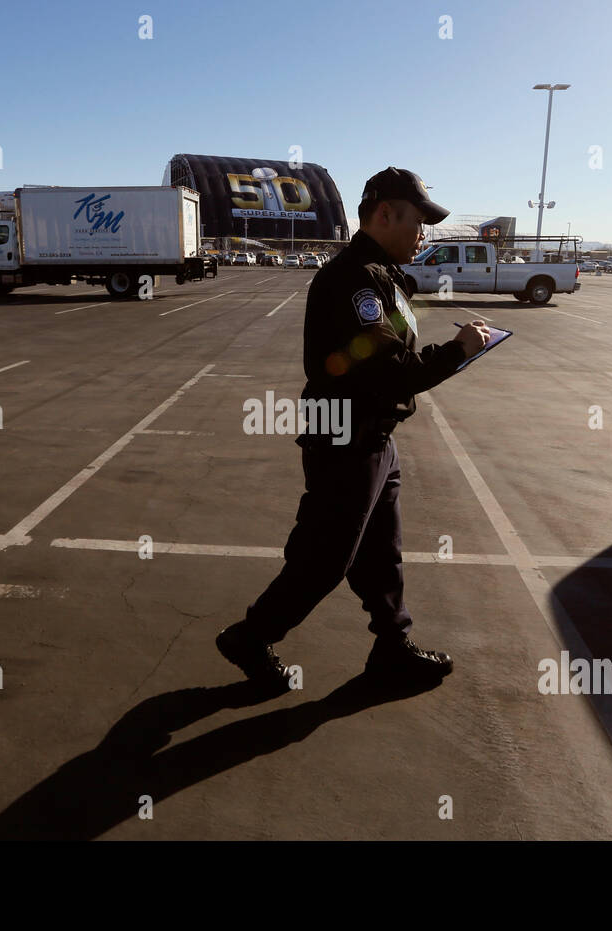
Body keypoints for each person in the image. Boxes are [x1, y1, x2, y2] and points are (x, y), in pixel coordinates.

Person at [217, 167, 490, 687]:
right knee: (325, 558)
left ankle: (392, 645)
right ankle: (250, 637)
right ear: (384, 214)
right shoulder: (354, 279)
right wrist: (458, 353)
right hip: (344, 434)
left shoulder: (380, 274)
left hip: (373, 437)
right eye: (418, 221)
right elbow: (388, 370)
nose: (423, 233)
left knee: (380, 553)